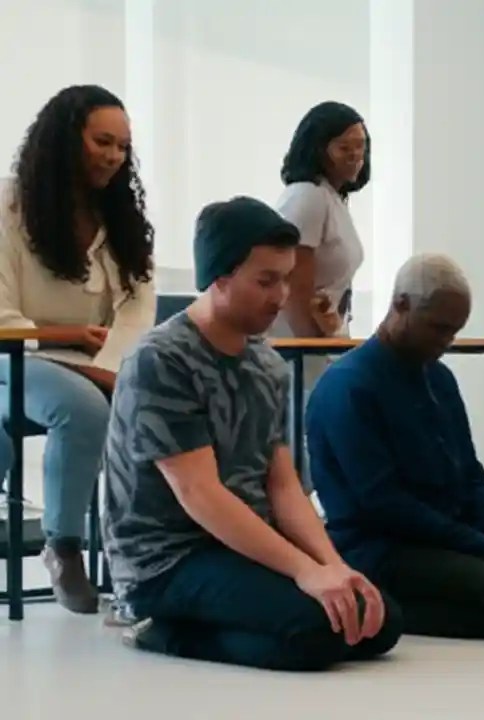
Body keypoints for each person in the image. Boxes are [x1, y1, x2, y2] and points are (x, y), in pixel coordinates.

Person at [101, 196, 401, 671]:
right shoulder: (161, 360)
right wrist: (303, 571)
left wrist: (331, 566)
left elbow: (281, 483)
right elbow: (200, 494)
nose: (281, 295)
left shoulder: (266, 363)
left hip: (239, 542)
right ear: (219, 277)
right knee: (317, 633)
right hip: (168, 560)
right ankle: (157, 626)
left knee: (375, 623)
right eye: (266, 281)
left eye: (285, 278)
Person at [306, 253, 484, 640]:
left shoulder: (439, 378)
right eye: (438, 329)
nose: (445, 342)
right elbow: (382, 504)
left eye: (453, 332)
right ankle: (382, 603)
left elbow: (471, 479)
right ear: (400, 305)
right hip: (381, 546)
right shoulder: (349, 387)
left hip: (444, 537)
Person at [0, 84, 157, 614]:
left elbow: (137, 307)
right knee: (81, 406)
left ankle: (142, 553)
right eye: (102, 142)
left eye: (122, 147)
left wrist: (114, 367)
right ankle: (63, 546)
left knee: (156, 405)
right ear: (66, 140)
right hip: (15, 359)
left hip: (99, 365)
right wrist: (64, 337)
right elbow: (2, 318)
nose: (114, 157)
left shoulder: (121, 218)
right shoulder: (9, 205)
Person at [270, 101, 369, 493]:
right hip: (300, 346)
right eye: (345, 147)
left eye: (361, 146)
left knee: (323, 444)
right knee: (309, 446)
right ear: (318, 147)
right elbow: (295, 284)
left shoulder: (333, 197)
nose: (356, 157)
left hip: (324, 339)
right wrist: (314, 346)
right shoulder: (307, 196)